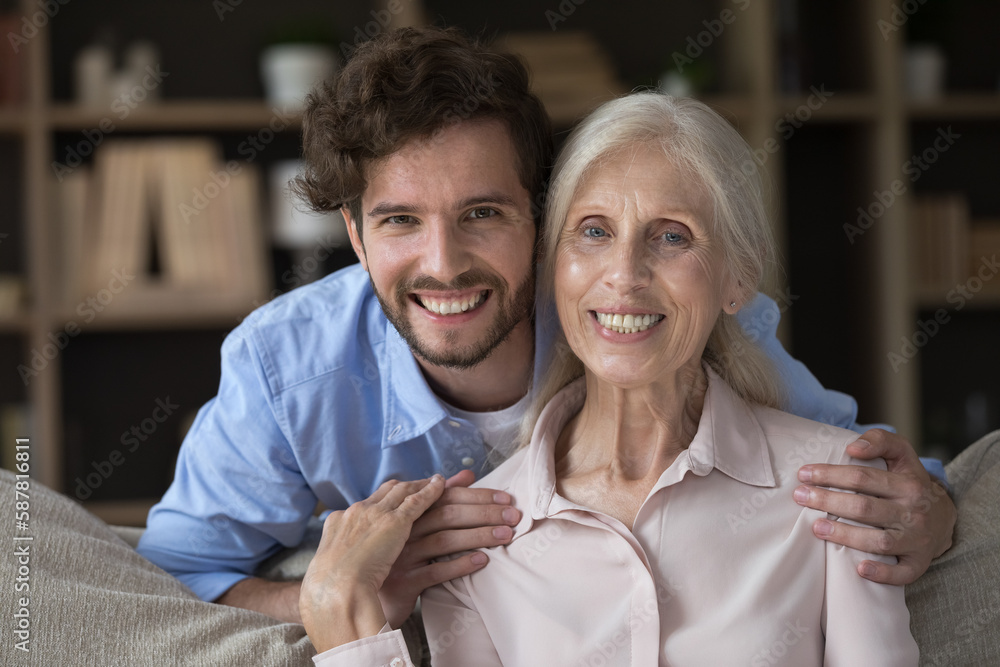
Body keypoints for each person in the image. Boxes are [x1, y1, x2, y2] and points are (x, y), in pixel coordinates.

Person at [136, 27, 954, 629]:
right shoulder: (286, 367)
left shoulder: (644, 315)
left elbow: (857, 468)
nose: (444, 263)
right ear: (354, 236)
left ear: (542, 213)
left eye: (482, 213)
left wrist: (935, 509)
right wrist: (341, 596)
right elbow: (177, 570)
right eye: (399, 222)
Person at [302, 92, 920, 666]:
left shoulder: (841, 496)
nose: (624, 275)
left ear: (738, 277)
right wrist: (345, 630)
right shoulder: (476, 541)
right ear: (552, 266)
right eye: (594, 232)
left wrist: (938, 511)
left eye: (672, 236)